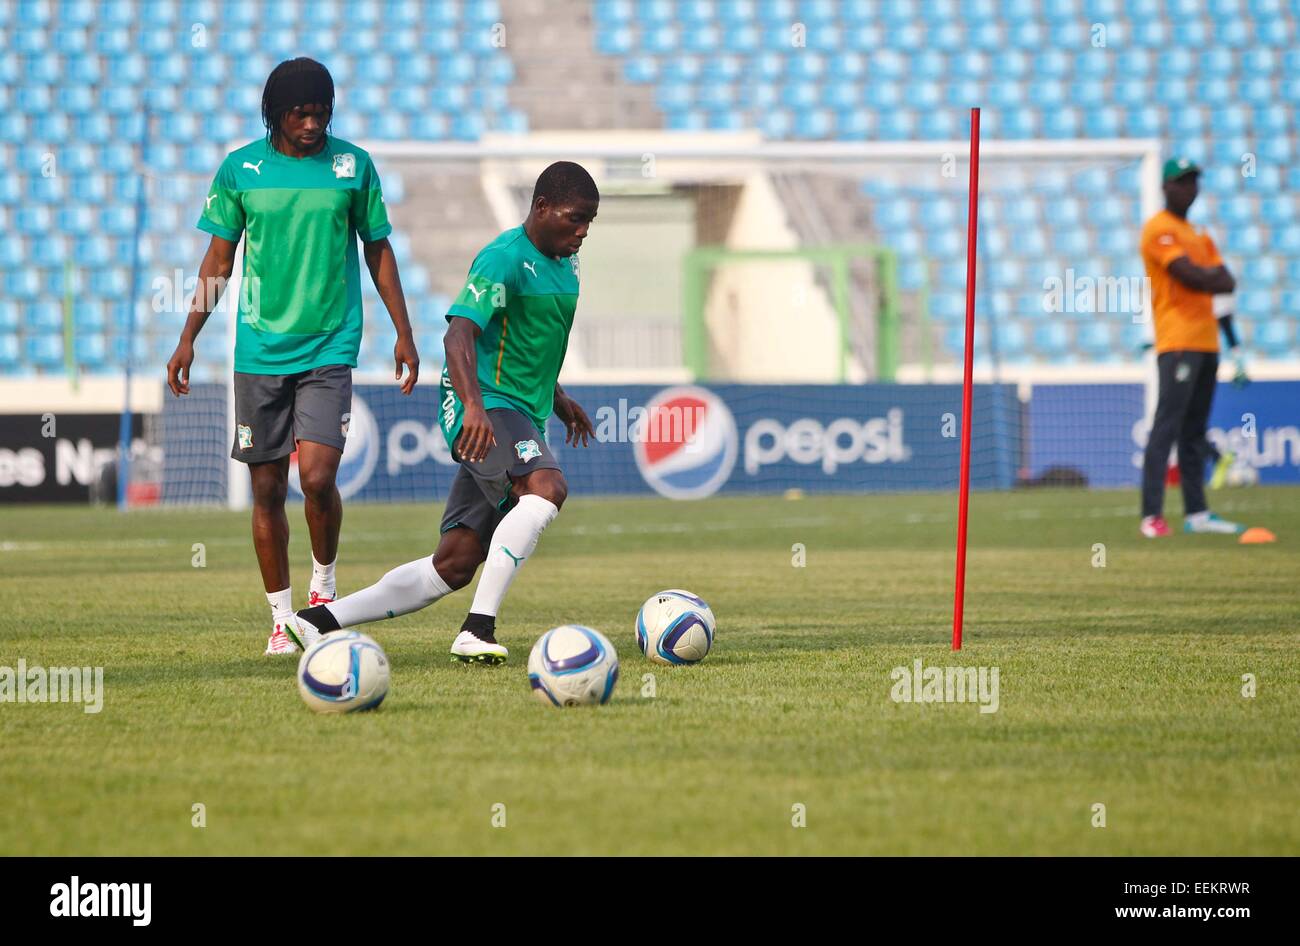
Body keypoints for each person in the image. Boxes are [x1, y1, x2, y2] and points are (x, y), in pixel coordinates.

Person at [293, 162, 599, 664]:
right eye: (574, 218)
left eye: (590, 221)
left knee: (454, 563)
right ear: (541, 208)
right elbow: (459, 334)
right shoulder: (503, 260)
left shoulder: (567, 265)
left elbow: (526, 342)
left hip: (521, 409)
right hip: (483, 404)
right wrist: (475, 408)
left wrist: (560, 401)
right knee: (546, 488)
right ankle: (477, 629)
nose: (582, 230)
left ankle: (318, 621)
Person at [165, 58, 419, 652]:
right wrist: (187, 337)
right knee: (266, 491)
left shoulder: (353, 166)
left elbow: (378, 251)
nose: (312, 124)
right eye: (300, 113)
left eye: (321, 113)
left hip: (330, 344)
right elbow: (218, 261)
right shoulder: (241, 169)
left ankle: (323, 589)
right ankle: (281, 619)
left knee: (319, 476)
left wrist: (403, 331)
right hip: (259, 350)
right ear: (275, 114)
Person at [1137, 157, 1242, 537]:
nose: (1190, 189)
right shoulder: (1158, 229)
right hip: (1177, 341)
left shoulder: (1199, 233)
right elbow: (1190, 275)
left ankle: (1197, 513)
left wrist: (1208, 277)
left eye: (1194, 181)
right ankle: (1151, 516)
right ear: (1166, 187)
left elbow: (1226, 280)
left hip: (1206, 341)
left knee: (1195, 431)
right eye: (1182, 182)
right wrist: (1208, 277)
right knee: (1166, 426)